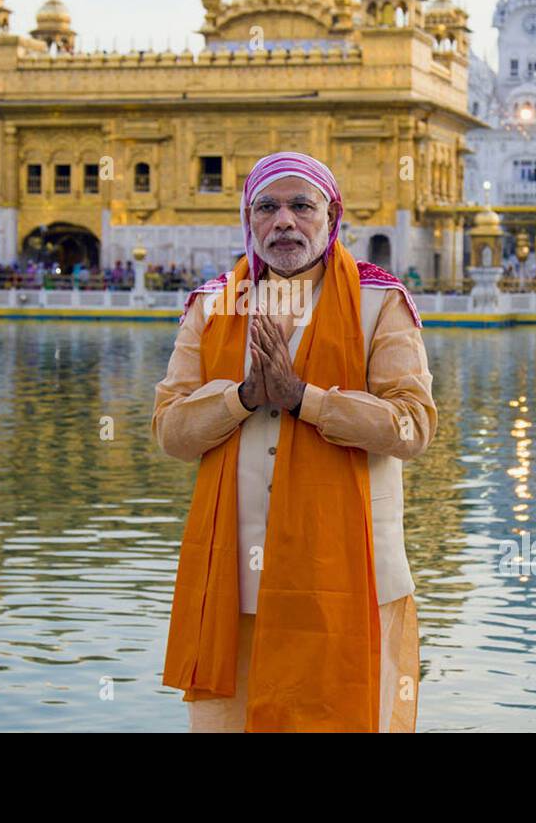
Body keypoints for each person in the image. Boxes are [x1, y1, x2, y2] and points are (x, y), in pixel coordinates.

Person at [152, 150, 437, 732]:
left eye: (300, 206)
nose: (284, 221)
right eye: (268, 207)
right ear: (248, 220)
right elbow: (171, 432)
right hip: (236, 582)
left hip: (349, 576)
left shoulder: (378, 302)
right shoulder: (212, 308)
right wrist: (243, 398)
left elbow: (413, 426)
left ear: (331, 216)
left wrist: (305, 398)